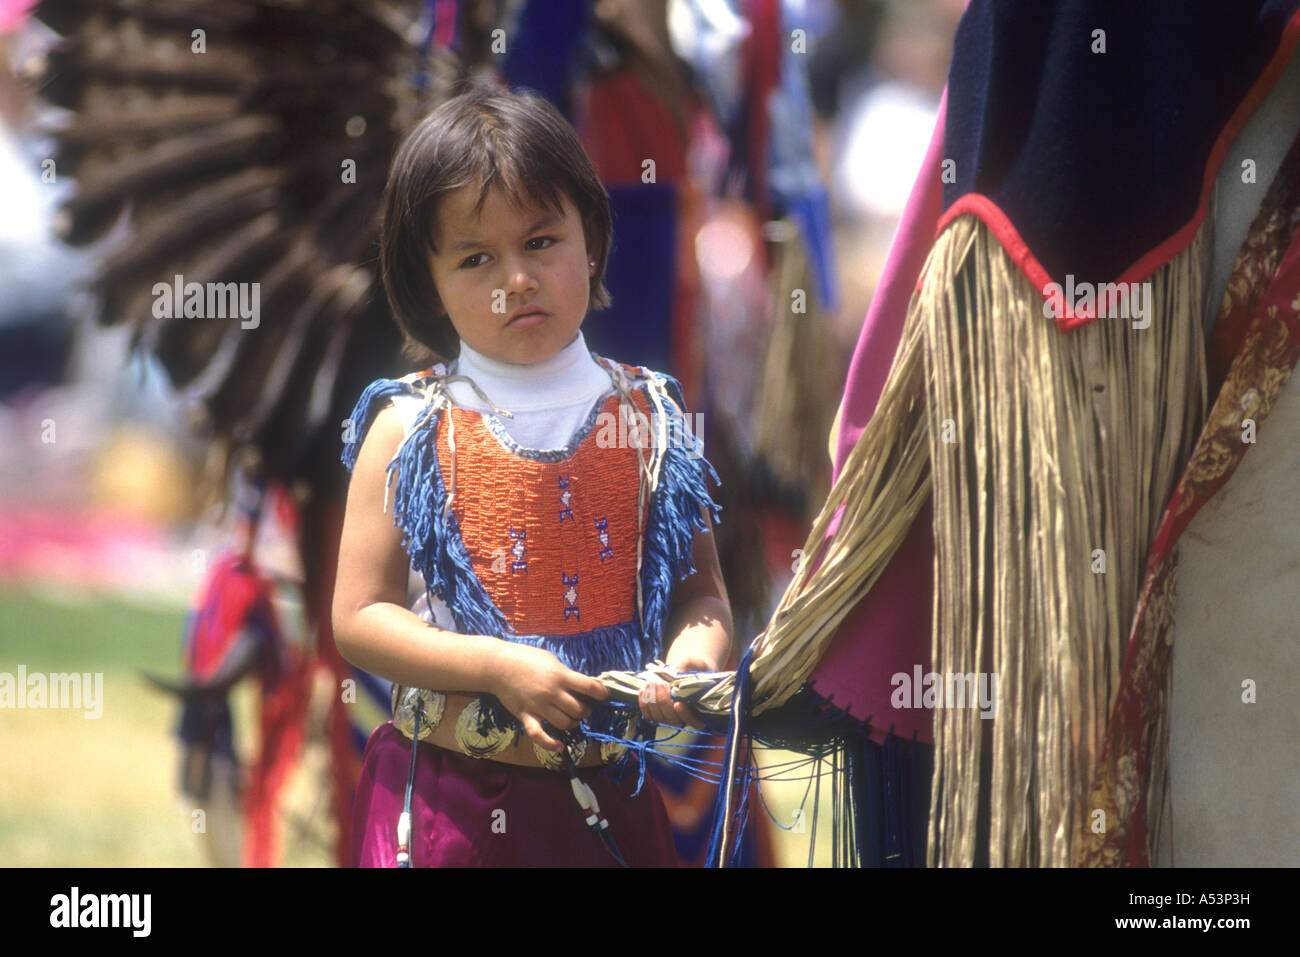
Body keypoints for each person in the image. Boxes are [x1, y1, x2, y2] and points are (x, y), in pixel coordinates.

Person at [331, 82, 734, 867]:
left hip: (609, 807)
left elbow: (701, 593)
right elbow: (359, 615)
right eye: (475, 258)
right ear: (429, 282)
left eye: (541, 242)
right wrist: (498, 665)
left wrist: (690, 661)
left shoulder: (646, 418)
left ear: (592, 236)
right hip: (450, 807)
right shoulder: (407, 425)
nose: (514, 278)